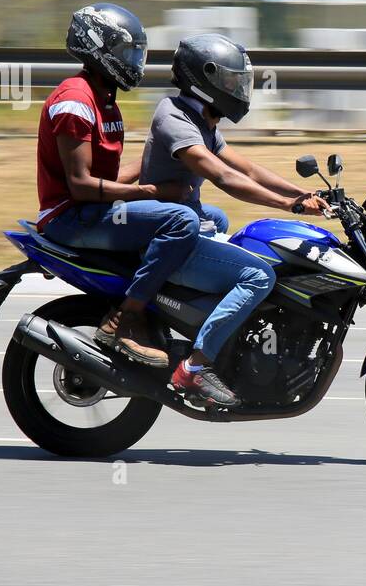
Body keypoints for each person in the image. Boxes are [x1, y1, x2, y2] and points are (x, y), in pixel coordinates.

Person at [140, 32, 328, 406]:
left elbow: (249, 169)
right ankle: (195, 367)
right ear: (204, 79)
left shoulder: (201, 121)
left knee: (230, 227)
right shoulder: (174, 118)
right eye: (229, 80)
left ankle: (222, 335)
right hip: (169, 238)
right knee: (259, 274)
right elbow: (224, 178)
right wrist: (289, 205)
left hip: (186, 223)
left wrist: (303, 194)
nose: (237, 87)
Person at [36, 3, 199, 369]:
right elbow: (80, 185)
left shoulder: (104, 98)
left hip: (95, 207)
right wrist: (151, 193)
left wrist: (162, 162)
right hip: (71, 216)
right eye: (126, 52)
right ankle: (126, 317)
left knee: (210, 217)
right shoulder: (75, 101)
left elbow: (105, 180)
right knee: (180, 222)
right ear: (98, 48)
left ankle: (165, 311)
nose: (133, 61)